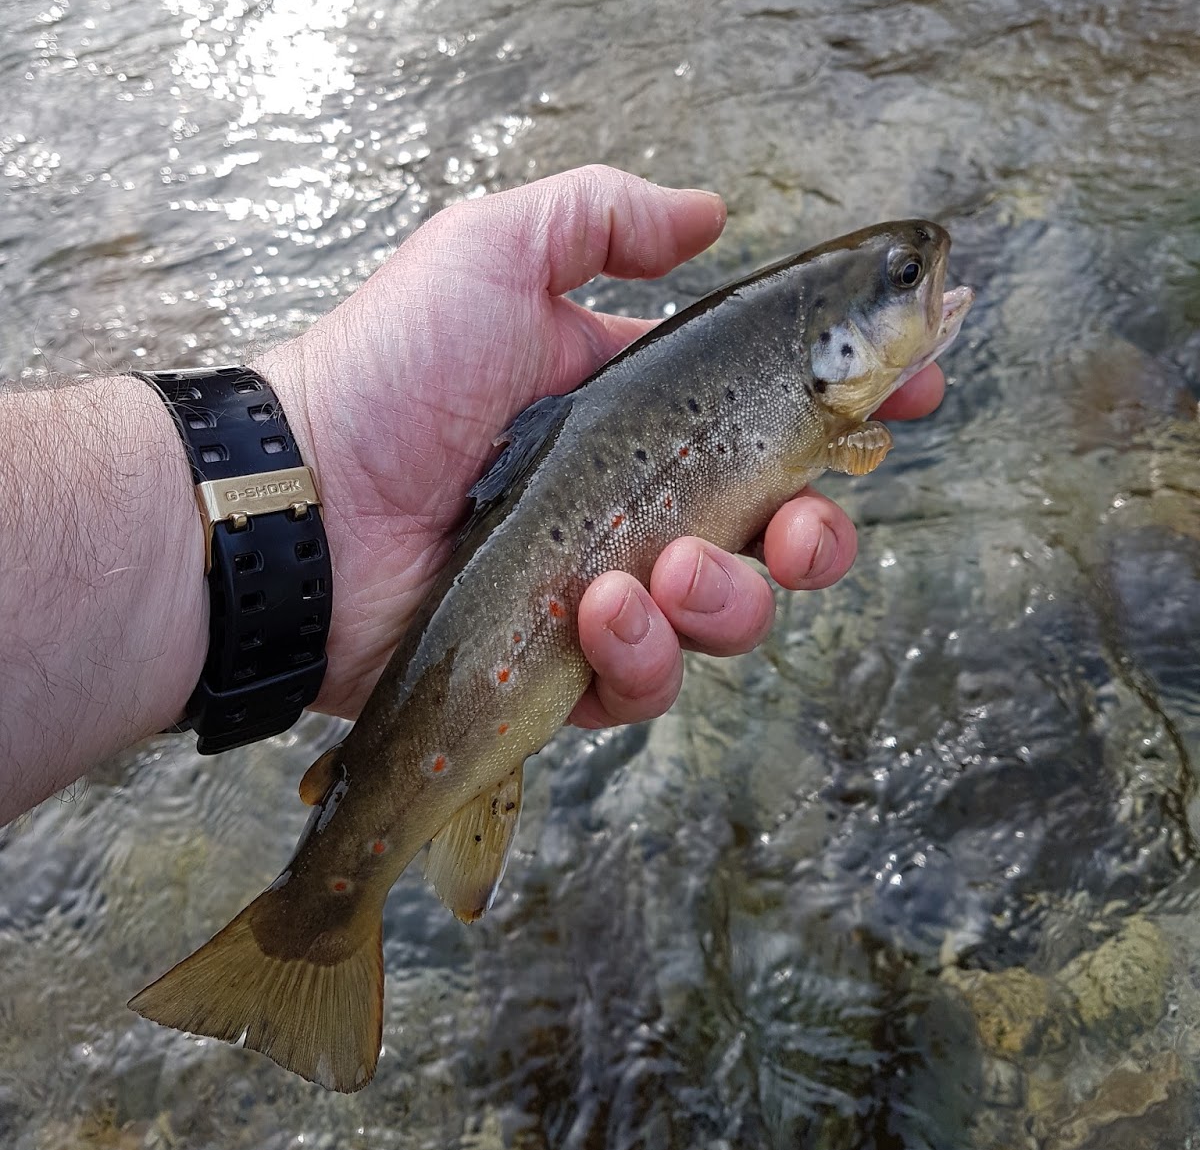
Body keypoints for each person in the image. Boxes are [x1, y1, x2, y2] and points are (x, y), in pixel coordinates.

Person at [0, 166, 945, 826]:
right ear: (833, 350)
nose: (926, 275)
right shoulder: (826, 399)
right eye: (908, 279)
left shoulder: (821, 389)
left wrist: (259, 512)